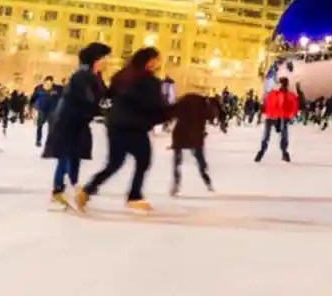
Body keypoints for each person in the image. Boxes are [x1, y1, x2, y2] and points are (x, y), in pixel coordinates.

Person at [76, 48, 169, 214]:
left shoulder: (122, 75)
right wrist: (171, 112)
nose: (158, 63)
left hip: (115, 125)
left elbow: (109, 96)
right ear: (148, 61)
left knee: (114, 163)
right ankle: (134, 196)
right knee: (143, 160)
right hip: (133, 127)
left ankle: (87, 190)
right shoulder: (149, 82)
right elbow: (154, 107)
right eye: (156, 59)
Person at [43, 43, 109, 208]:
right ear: (95, 60)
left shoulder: (93, 76)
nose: (106, 62)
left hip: (78, 122)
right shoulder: (82, 76)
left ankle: (72, 186)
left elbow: (103, 97)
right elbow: (90, 100)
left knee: (75, 156)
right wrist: (103, 111)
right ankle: (58, 191)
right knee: (66, 156)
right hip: (68, 122)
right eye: (103, 59)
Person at [170, 93, 217, 196]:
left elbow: (170, 113)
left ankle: (176, 183)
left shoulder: (182, 101)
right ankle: (206, 178)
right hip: (195, 134)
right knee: (199, 156)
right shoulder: (203, 103)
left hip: (180, 133)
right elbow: (210, 116)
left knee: (177, 160)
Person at [256, 77, 299, 162]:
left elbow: (294, 106)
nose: (283, 85)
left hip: (282, 117)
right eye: (282, 83)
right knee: (267, 135)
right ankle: (262, 151)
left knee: (283, 135)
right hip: (272, 117)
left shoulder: (289, 95)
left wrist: (291, 115)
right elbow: (265, 102)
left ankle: (284, 152)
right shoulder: (273, 93)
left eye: (284, 84)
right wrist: (262, 111)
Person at [30, 76, 61, 148]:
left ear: (52, 82)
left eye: (50, 82)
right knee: (39, 126)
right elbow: (33, 98)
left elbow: (63, 97)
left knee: (52, 128)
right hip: (42, 110)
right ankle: (38, 140)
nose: (48, 84)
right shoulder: (39, 88)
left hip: (52, 110)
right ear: (44, 82)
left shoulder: (58, 88)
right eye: (47, 82)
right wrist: (31, 107)